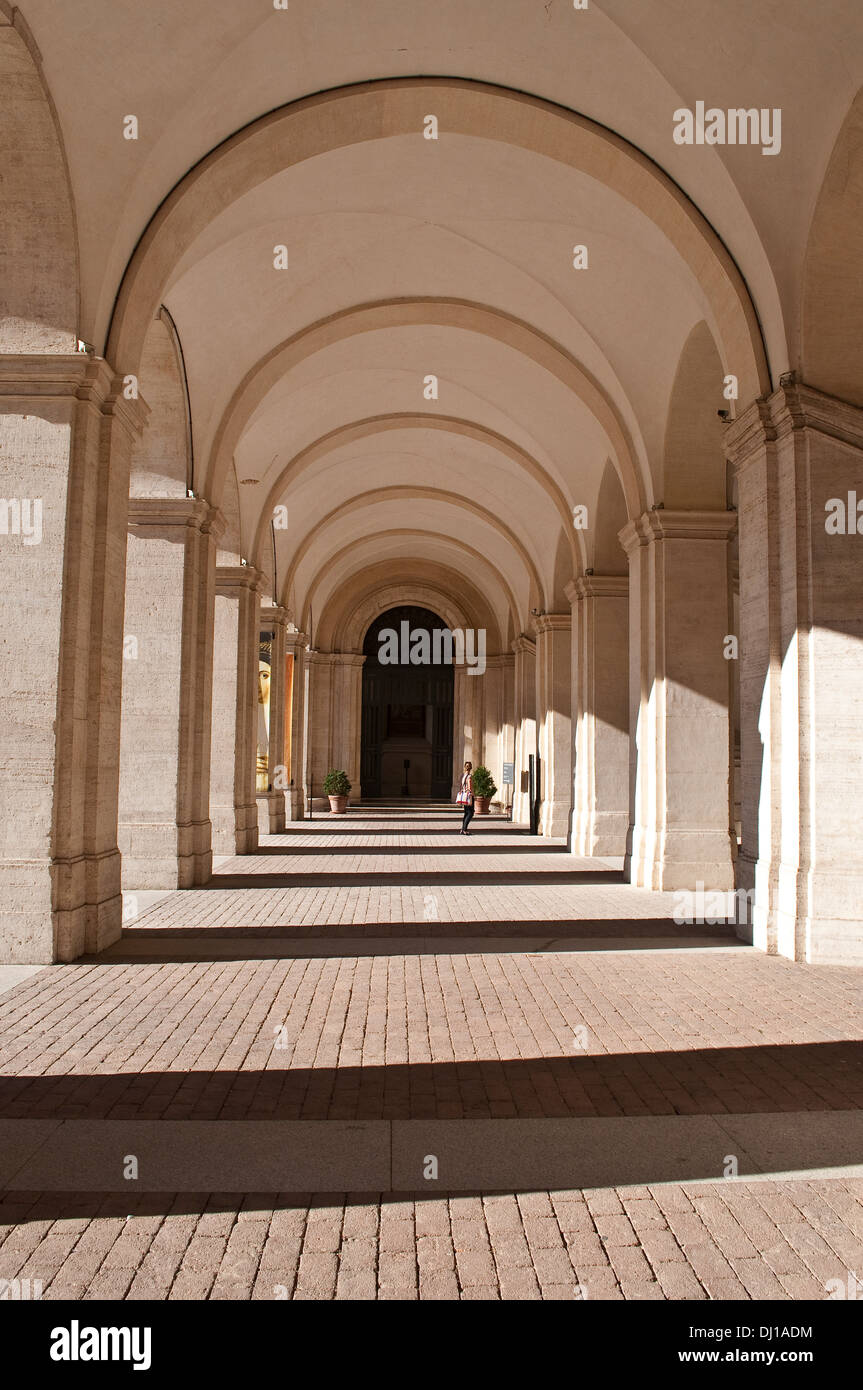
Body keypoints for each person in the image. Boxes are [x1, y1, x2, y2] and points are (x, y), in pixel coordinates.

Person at [457, 761, 474, 835]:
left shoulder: (463, 776)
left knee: (466, 813)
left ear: (465, 767)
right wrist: (472, 794)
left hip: (464, 795)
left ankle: (463, 829)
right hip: (468, 796)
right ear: (471, 767)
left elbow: (461, 786)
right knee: (470, 813)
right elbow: (469, 788)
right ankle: (464, 829)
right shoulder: (469, 776)